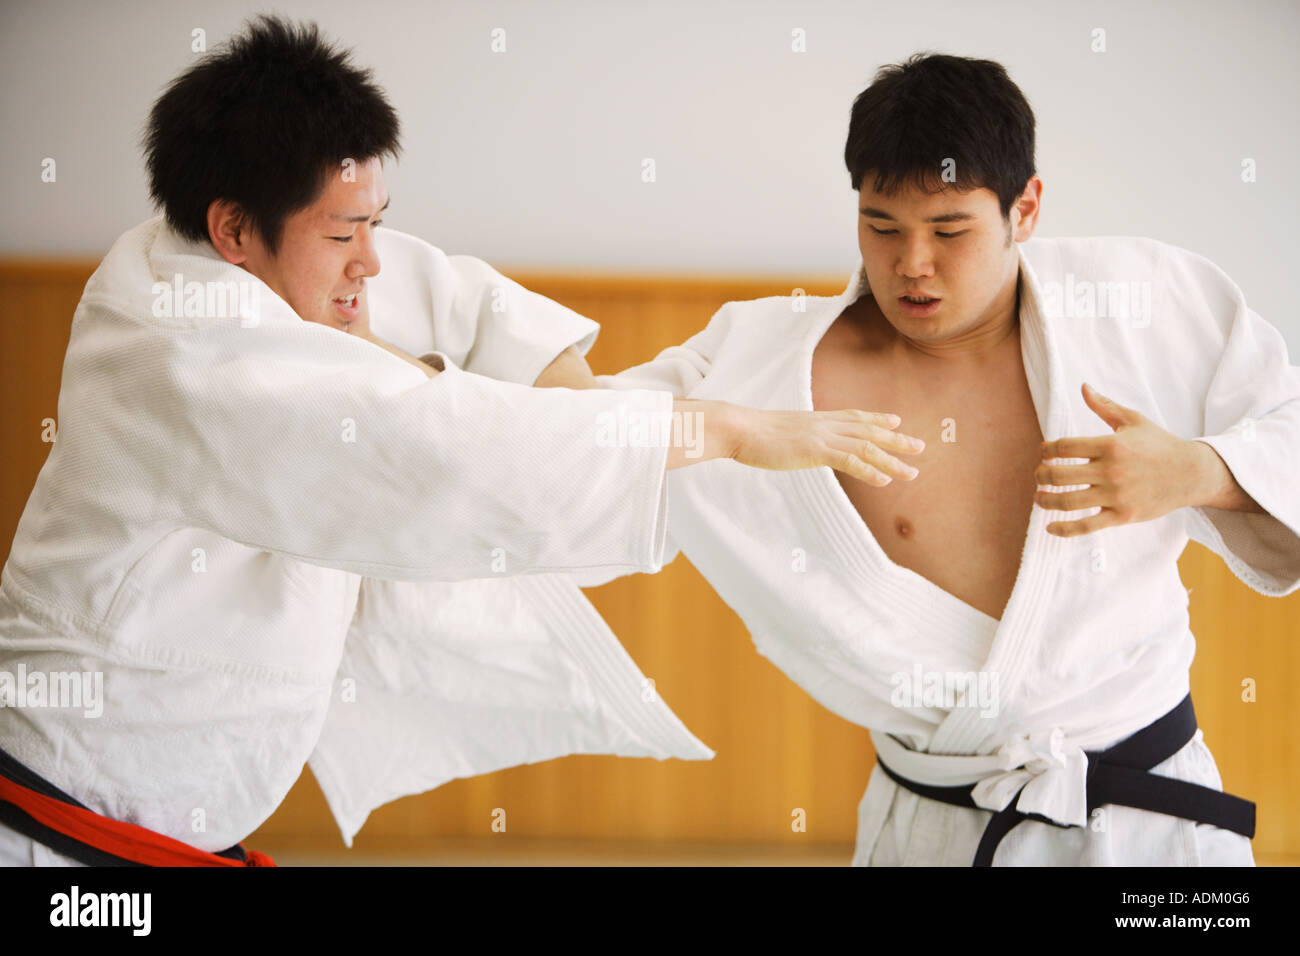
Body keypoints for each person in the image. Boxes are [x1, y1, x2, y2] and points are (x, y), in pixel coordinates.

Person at [0, 16, 907, 866]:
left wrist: (592, 406)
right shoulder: (183, 350)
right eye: (345, 232)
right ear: (233, 227)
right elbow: (440, 445)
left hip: (169, 816)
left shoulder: (268, 256)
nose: (371, 261)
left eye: (376, 224)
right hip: (65, 809)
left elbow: (461, 303)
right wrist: (729, 430)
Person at [586, 53, 1299, 865]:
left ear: (1024, 209)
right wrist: (735, 432)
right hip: (932, 827)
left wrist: (1201, 472)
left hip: (1151, 828)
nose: (910, 263)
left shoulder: (1147, 301)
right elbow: (581, 431)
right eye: (881, 226)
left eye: (949, 230)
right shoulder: (763, 364)